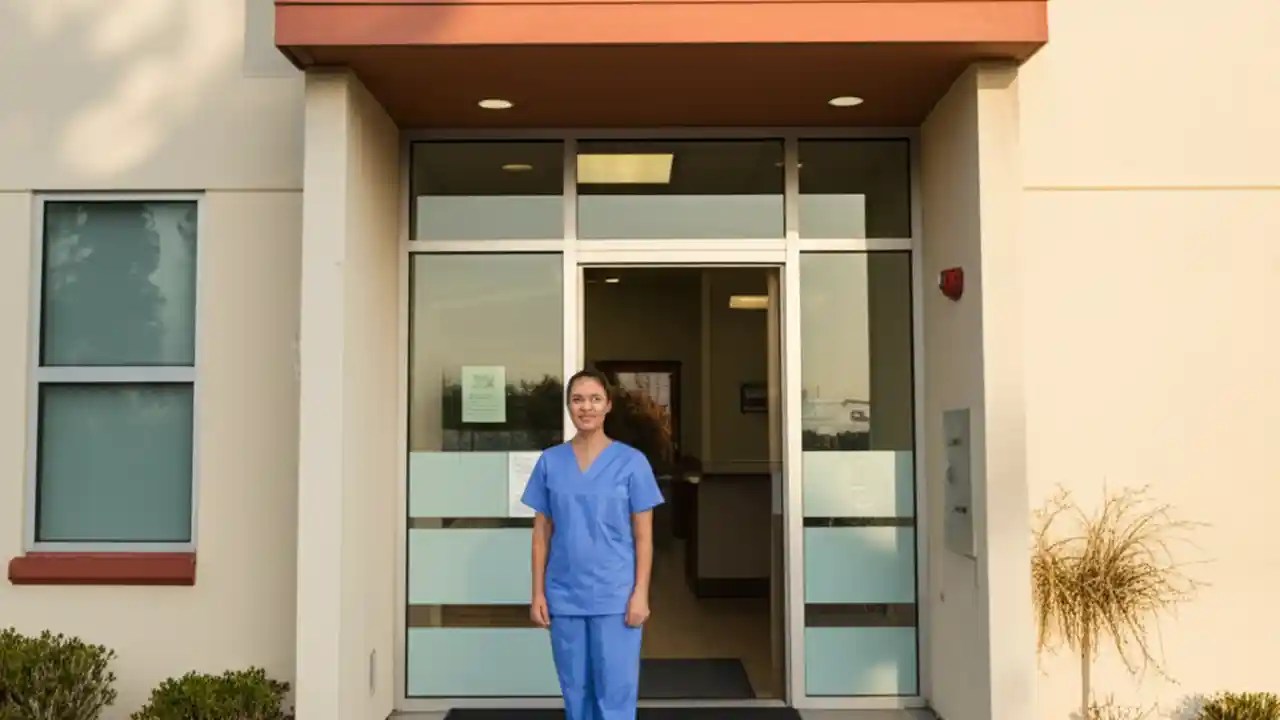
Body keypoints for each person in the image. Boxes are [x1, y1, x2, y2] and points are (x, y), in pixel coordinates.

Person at [520, 369, 665, 720]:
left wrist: (640, 593)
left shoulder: (632, 463)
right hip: (565, 595)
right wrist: (538, 593)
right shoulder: (550, 462)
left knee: (615, 693)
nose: (586, 407)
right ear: (569, 407)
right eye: (578, 399)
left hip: (615, 594)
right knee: (575, 692)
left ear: (608, 406)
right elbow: (541, 534)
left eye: (595, 399)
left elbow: (645, 537)